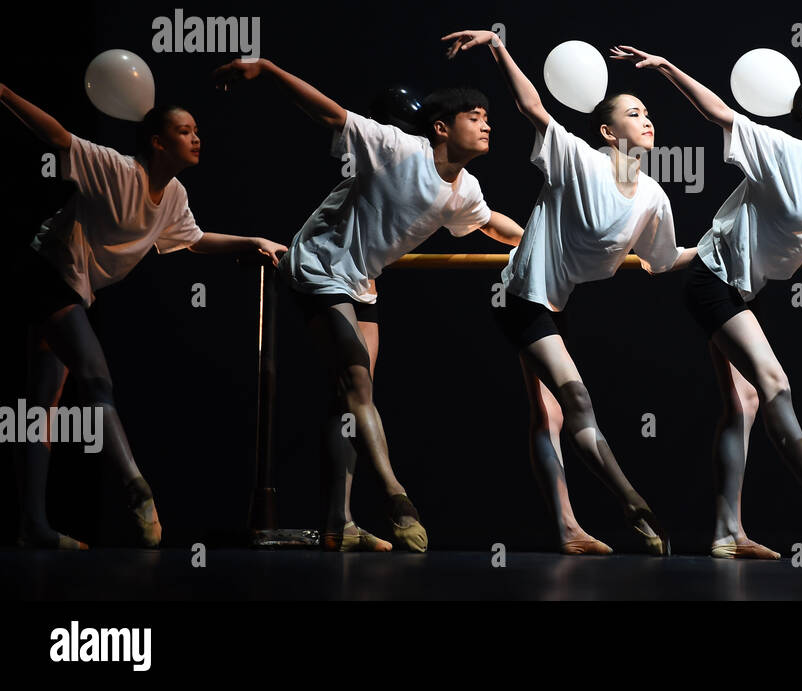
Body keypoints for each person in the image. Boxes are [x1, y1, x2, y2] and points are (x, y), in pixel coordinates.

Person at [213, 58, 523, 552]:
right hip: (318, 265)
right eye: (475, 116)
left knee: (351, 401)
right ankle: (397, 497)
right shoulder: (397, 147)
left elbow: (491, 224)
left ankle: (340, 524)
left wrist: (535, 247)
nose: (487, 123)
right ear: (442, 127)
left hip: (363, 282)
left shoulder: (466, 190)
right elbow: (332, 115)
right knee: (357, 379)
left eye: (489, 117)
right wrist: (269, 70)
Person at [610, 43, 802, 562]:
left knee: (746, 403)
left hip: (737, 288)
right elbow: (721, 113)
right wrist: (669, 66)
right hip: (712, 281)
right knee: (773, 382)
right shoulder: (782, 149)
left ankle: (727, 532)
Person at [442, 29, 694, 556]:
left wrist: (722, 248)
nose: (646, 119)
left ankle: (566, 528)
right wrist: (497, 45)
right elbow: (531, 105)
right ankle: (634, 504)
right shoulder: (578, 158)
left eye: (647, 112)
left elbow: (661, 261)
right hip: (520, 298)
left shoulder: (652, 195)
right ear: (606, 130)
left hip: (553, 304)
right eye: (632, 113)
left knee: (550, 415)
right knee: (575, 398)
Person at [2, 84, 285, 548]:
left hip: (74, 287)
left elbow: (192, 239)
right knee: (95, 378)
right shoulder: (115, 168)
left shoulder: (173, 194)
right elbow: (57, 137)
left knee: (40, 407)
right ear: (157, 141)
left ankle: (32, 523)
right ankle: (136, 487)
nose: (196, 137)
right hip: (45, 272)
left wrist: (252, 241)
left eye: (197, 130)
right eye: (184, 130)